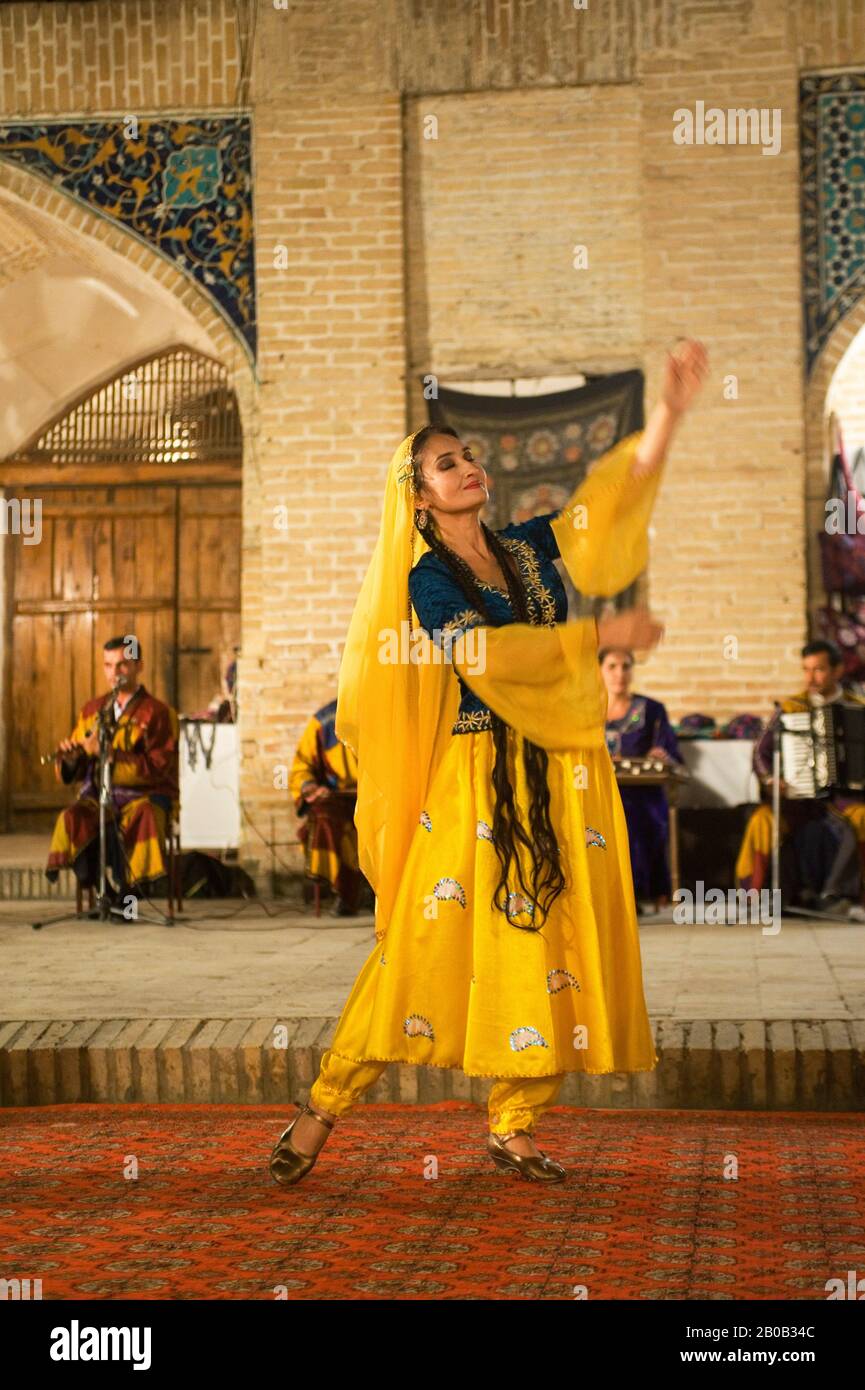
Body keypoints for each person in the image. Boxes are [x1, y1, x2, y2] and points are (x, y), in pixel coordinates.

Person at [269, 339, 708, 1187]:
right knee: (416, 954)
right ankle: (323, 1105)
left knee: (546, 940)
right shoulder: (428, 582)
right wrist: (598, 637)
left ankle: (514, 1125)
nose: (466, 465)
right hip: (473, 781)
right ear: (419, 496)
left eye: (467, 454)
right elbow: (482, 658)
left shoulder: (526, 549)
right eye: (444, 462)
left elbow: (604, 507)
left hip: (558, 772)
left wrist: (669, 412)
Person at [45, 636, 179, 903]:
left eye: (122, 665)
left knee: (145, 815)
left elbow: (158, 768)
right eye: (108, 665)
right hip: (101, 796)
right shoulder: (94, 710)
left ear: (139, 665)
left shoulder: (158, 712)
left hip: (145, 796)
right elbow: (81, 767)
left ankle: (129, 897)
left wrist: (106, 755)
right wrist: (72, 758)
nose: (114, 673)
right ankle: (101, 890)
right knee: (72, 817)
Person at [735, 639, 865, 913]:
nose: (811, 677)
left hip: (842, 799)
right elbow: (761, 752)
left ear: (837, 671)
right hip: (796, 798)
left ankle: (837, 895)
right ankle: (754, 899)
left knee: (863, 817)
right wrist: (771, 779)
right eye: (806, 669)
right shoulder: (790, 708)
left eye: (819, 669)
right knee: (761, 820)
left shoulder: (857, 707)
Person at [600, 646, 684, 906]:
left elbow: (671, 754)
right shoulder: (586, 711)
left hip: (642, 792)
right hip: (600, 789)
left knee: (635, 814)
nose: (619, 674)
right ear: (598, 671)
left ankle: (636, 893)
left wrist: (661, 754)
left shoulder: (652, 709)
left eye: (626, 666)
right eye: (612, 667)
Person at [289, 696, 365, 916]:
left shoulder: (390, 713)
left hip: (380, 797)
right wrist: (310, 787)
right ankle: (344, 892)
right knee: (325, 819)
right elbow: (301, 767)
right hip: (338, 796)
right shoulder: (323, 720)